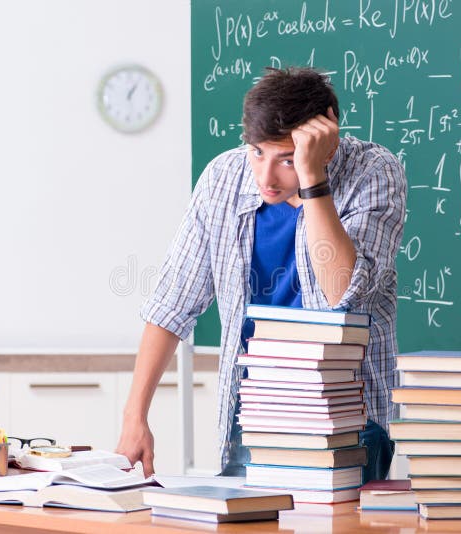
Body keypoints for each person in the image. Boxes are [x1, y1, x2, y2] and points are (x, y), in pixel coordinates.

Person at [116, 67, 406, 483]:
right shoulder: (222, 178)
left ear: (326, 141)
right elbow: (171, 303)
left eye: (285, 159)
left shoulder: (373, 172)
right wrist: (135, 416)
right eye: (256, 152)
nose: (265, 178)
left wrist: (312, 180)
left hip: (346, 413)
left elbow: (343, 294)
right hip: (252, 411)